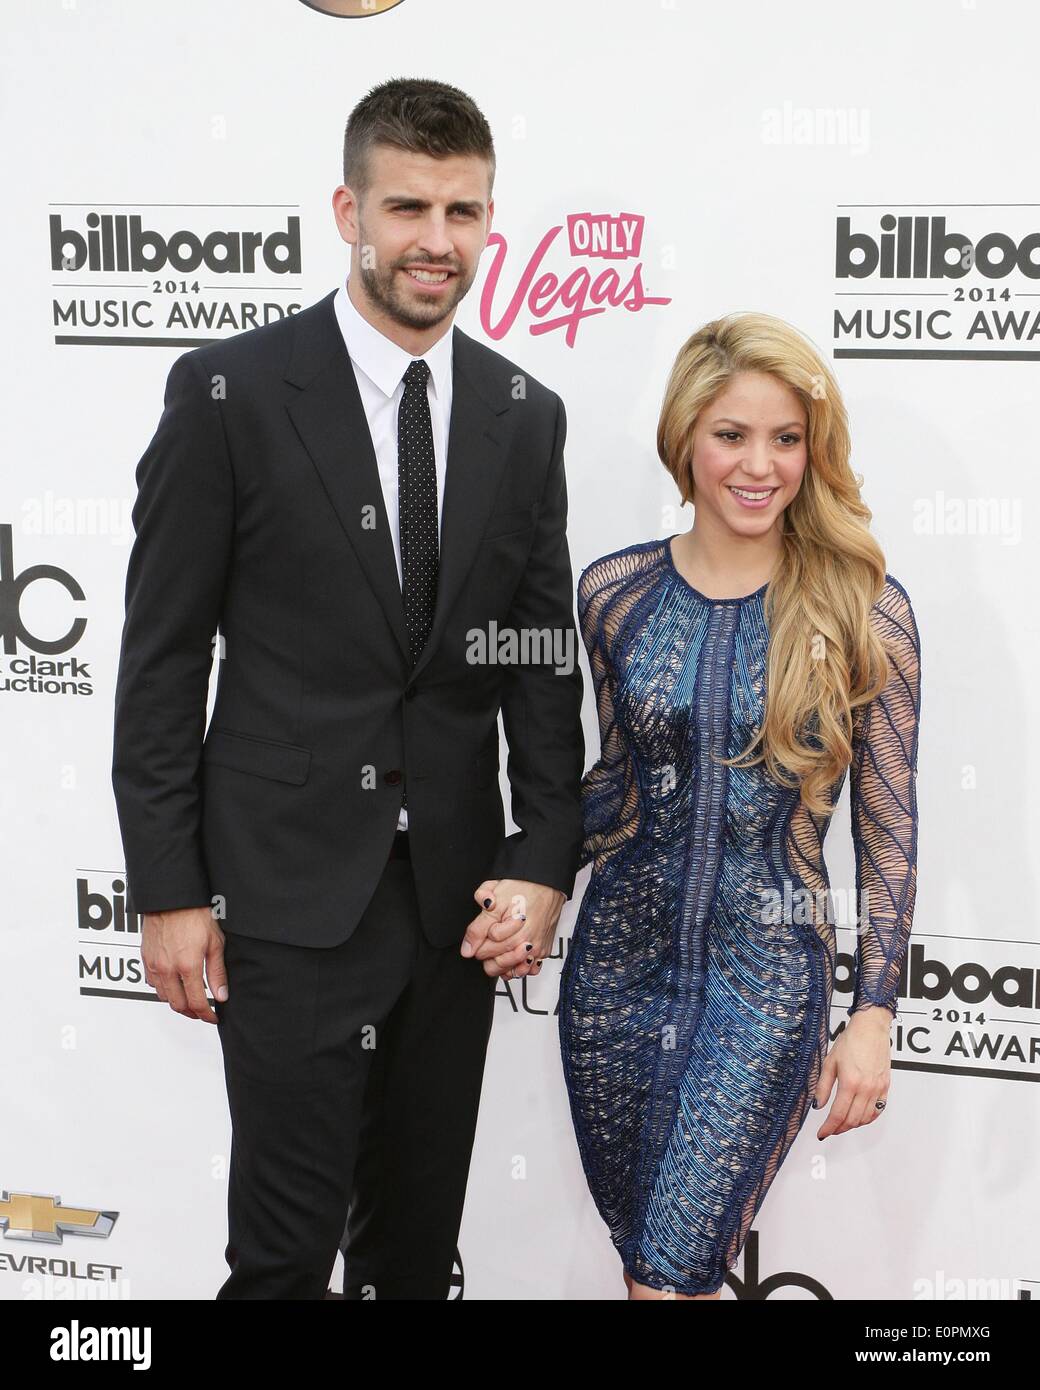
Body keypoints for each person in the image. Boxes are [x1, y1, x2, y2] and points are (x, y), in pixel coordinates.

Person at [111, 77, 584, 1300]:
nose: (437, 240)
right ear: (347, 210)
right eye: (409, 206)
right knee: (280, 1256)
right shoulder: (232, 393)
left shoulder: (524, 417)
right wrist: (166, 888)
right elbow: (162, 660)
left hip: (455, 908)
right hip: (284, 899)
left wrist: (539, 859)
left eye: (464, 211)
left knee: (413, 1254)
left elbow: (537, 657)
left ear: (490, 221)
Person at [559, 312, 922, 1300]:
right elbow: (615, 788)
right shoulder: (614, 592)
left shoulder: (862, 609)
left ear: (812, 448)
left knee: (666, 1278)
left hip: (763, 984)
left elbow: (886, 834)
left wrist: (873, 1012)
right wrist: (518, 863)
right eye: (730, 434)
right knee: (649, 1268)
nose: (758, 464)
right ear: (684, 439)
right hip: (614, 976)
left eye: (785, 437)